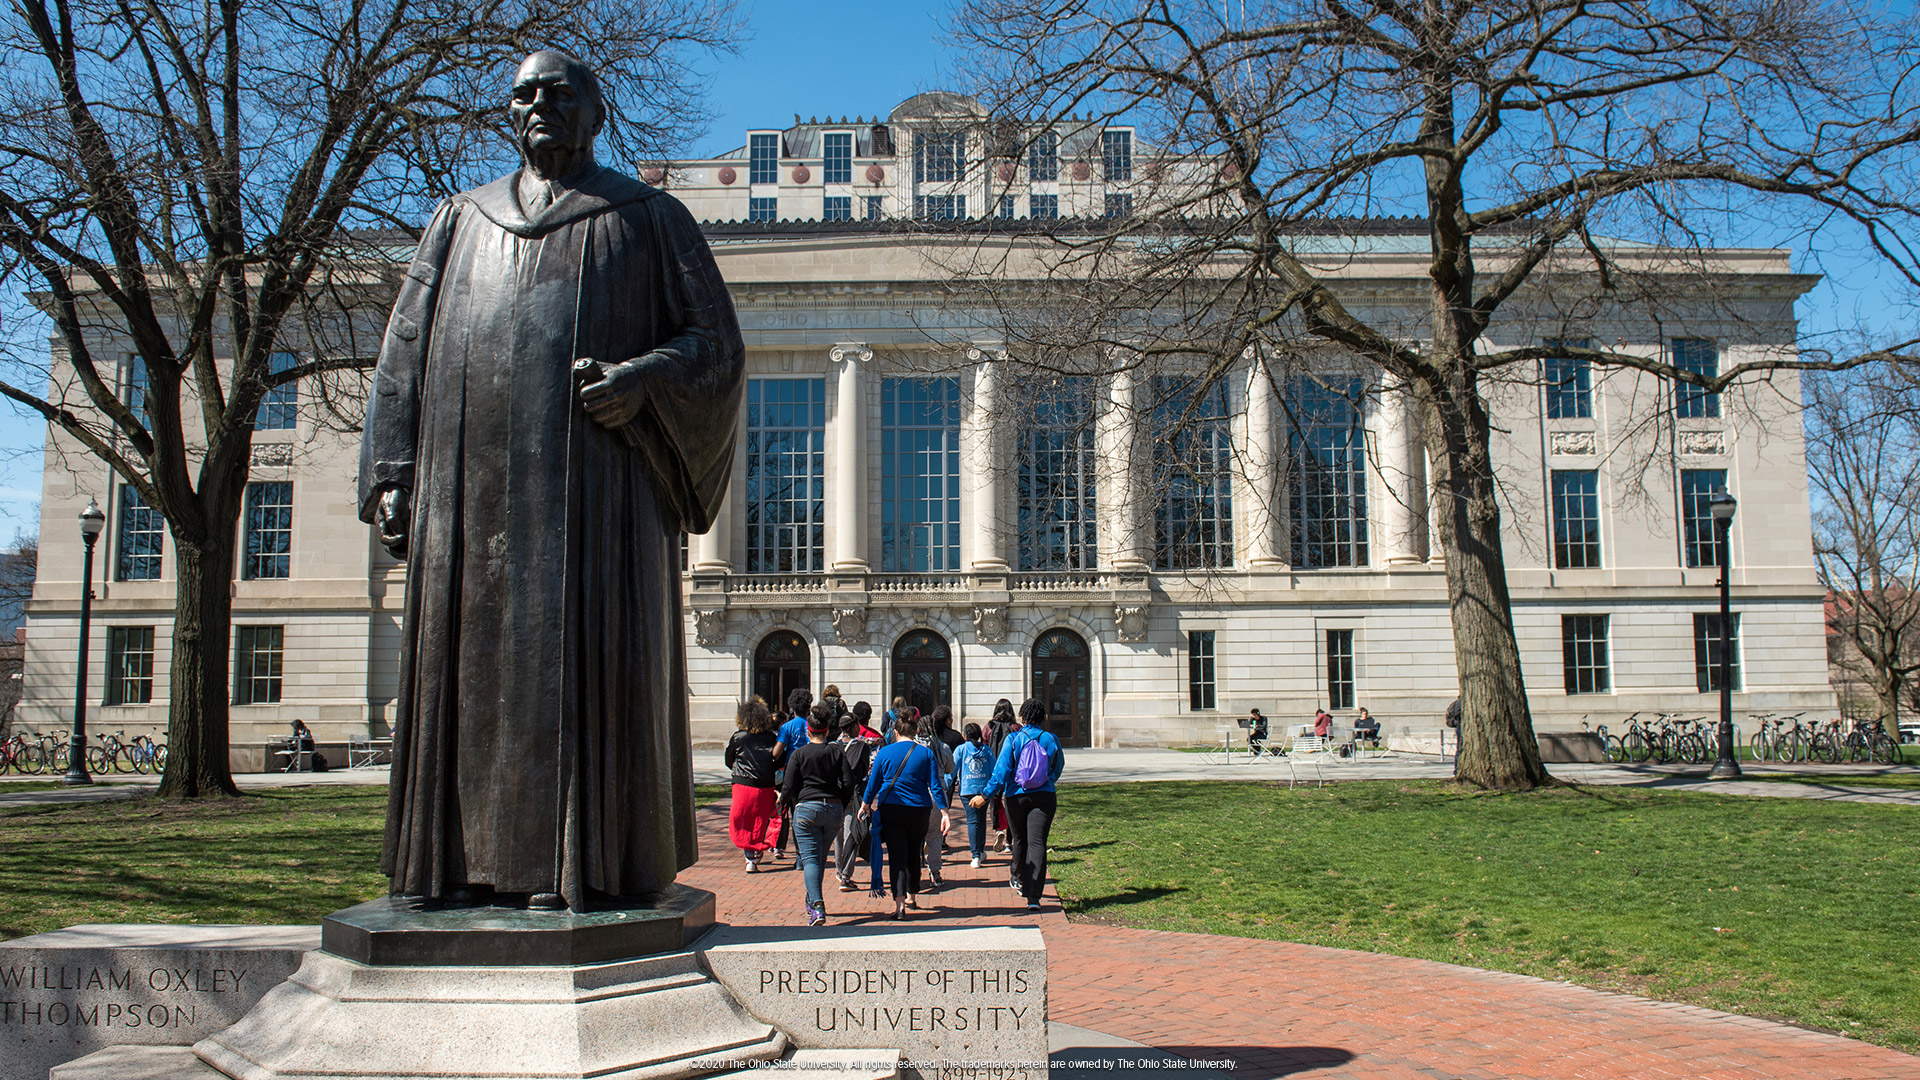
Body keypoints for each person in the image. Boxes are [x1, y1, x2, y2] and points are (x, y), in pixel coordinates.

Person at [357, 51, 744, 910]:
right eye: (524, 94)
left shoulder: (648, 218)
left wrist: (642, 377)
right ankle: (448, 870)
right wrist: (392, 472)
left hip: (595, 496)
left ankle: (576, 870)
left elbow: (715, 345)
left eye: (559, 92)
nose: (539, 105)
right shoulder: (460, 220)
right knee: (463, 672)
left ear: (596, 111)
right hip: (468, 496)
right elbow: (403, 355)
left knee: (574, 669)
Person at [972, 698, 1065, 913]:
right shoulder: (1051, 739)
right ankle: (1034, 897)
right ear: (1043, 718)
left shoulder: (1013, 739)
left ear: (1023, 717)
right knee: (1038, 843)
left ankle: (1019, 877)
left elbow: (1001, 771)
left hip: (1016, 797)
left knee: (1020, 839)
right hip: (1044, 797)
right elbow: (1057, 768)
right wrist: (1047, 780)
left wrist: (986, 794)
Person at [859, 712, 940, 919]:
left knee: (897, 855)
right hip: (920, 808)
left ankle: (900, 904)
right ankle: (913, 895)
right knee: (914, 852)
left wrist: (865, 804)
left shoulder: (885, 753)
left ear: (895, 732)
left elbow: (873, 782)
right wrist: (945, 811)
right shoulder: (926, 753)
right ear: (916, 731)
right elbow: (935, 785)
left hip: (892, 808)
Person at [779, 703, 854, 926]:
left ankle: (817, 904)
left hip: (806, 808)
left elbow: (789, 785)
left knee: (811, 858)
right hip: (832, 808)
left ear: (808, 731)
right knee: (819, 857)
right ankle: (812, 899)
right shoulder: (836, 751)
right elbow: (848, 781)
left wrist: (782, 801)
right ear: (827, 729)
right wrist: (842, 799)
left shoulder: (799, 754)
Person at [724, 699, 779, 872]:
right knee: (761, 819)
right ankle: (755, 852)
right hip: (765, 783)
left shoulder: (738, 737)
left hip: (742, 783)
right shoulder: (771, 737)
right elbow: (778, 759)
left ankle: (750, 856)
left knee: (744, 820)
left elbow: (728, 759)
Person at [834, 710, 878, 892]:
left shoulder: (833, 746)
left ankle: (840, 871)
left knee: (838, 836)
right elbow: (864, 772)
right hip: (854, 794)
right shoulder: (861, 746)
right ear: (853, 726)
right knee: (850, 834)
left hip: (835, 796)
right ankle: (845, 876)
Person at [918, 706, 959, 890]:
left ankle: (914, 871)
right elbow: (951, 768)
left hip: (916, 794)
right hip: (937, 795)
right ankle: (935, 872)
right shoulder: (942, 747)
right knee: (934, 837)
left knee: (914, 836)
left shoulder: (914, 747)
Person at [770, 687, 813, 859]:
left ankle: (787, 849)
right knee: (803, 813)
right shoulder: (812, 725)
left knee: (787, 812)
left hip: (792, 772)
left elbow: (776, 753)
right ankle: (803, 851)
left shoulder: (787, 727)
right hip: (810, 772)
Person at [953, 723, 994, 867]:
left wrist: (947, 784)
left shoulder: (961, 750)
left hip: (967, 790)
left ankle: (975, 854)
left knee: (972, 821)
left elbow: (952, 769)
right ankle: (980, 851)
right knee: (981, 820)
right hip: (983, 791)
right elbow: (993, 769)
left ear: (965, 735)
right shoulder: (986, 750)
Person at [986, 699, 1016, 851]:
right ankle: (1010, 842)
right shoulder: (1016, 728)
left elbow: (984, 746)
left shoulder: (989, 727)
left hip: (994, 770)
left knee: (995, 802)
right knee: (1011, 803)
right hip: (1013, 771)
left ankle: (999, 830)